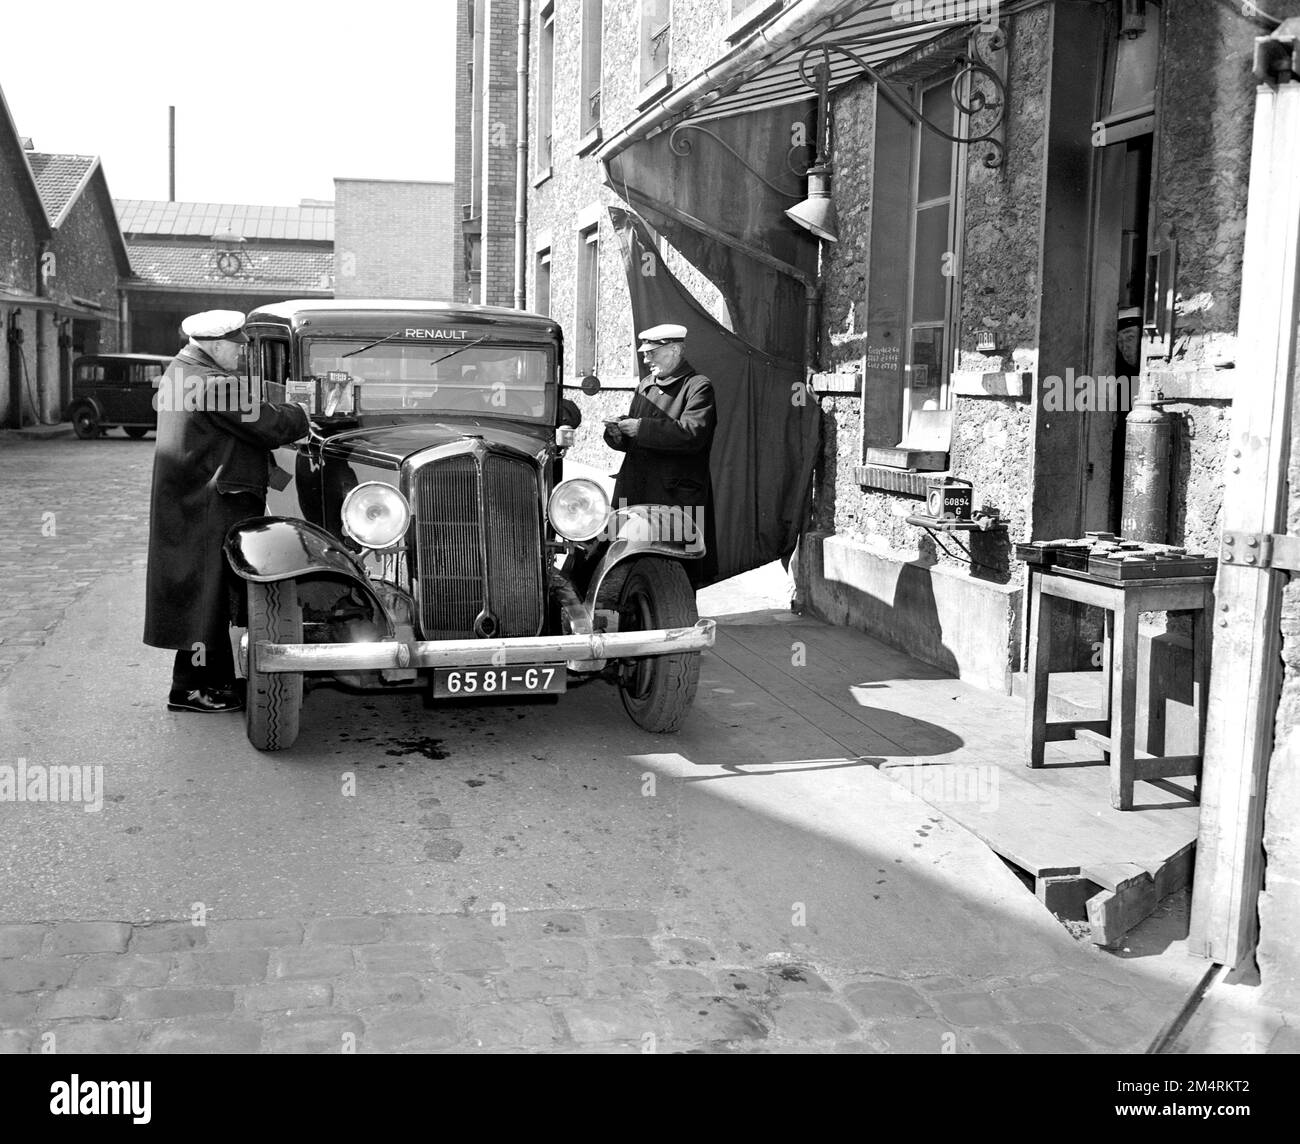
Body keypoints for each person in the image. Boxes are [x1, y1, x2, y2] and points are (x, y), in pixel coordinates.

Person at [143, 310, 311, 713]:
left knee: (204, 592)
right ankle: (189, 689)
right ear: (216, 344)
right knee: (206, 593)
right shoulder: (212, 384)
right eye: (238, 346)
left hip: (193, 499)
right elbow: (271, 426)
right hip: (209, 503)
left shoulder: (183, 371)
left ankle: (210, 680)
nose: (242, 353)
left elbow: (243, 402)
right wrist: (305, 408)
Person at [603, 323, 718, 585]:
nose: (646, 359)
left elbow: (693, 434)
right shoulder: (645, 385)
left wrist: (640, 428)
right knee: (622, 558)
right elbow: (634, 440)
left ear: (675, 350)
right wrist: (618, 434)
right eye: (645, 353)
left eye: (652, 353)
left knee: (678, 571)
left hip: (675, 496)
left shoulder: (698, 386)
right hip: (634, 490)